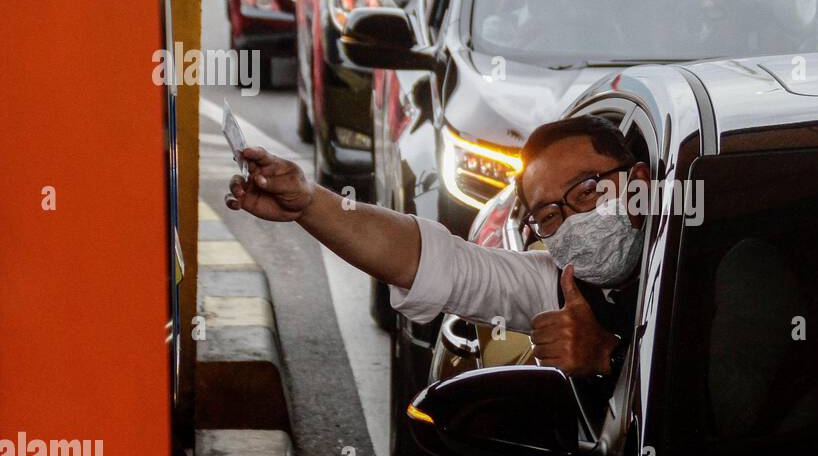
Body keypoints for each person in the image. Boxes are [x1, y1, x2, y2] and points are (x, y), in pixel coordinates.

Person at [225, 117, 653, 381]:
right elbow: (424, 259)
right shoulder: (560, 287)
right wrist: (309, 201)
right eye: (549, 216)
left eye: (587, 190)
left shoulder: (709, 270)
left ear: (639, 182)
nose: (573, 220)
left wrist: (606, 355)